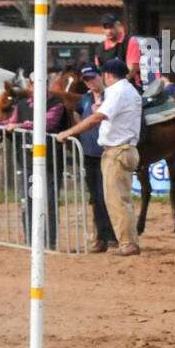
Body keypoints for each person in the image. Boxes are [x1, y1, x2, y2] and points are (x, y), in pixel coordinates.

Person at [55, 58, 142, 256]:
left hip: (117, 150)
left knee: (116, 199)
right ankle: (128, 241)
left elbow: (97, 118)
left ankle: (128, 243)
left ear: (108, 74)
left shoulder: (118, 91)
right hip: (126, 148)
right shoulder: (128, 90)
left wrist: (68, 132)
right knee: (122, 198)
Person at [0, 75, 63, 250]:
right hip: (26, 161)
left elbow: (47, 123)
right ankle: (31, 240)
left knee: (48, 201)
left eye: (41, 83)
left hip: (49, 163)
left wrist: (21, 125)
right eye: (34, 83)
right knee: (28, 201)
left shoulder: (56, 104)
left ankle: (49, 242)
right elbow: (10, 123)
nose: (37, 87)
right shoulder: (21, 106)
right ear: (30, 85)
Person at [74, 63, 118, 252]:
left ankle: (113, 236)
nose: (90, 82)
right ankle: (101, 236)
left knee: (107, 196)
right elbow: (76, 110)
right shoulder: (84, 99)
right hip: (89, 153)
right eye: (86, 79)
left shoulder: (111, 96)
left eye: (92, 77)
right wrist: (81, 127)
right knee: (95, 197)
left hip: (107, 153)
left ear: (101, 76)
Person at [97, 13, 142, 91]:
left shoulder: (130, 41)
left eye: (111, 27)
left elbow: (132, 69)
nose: (109, 31)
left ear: (118, 25)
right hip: (108, 89)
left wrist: (115, 87)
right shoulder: (100, 48)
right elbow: (100, 72)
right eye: (106, 28)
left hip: (130, 87)